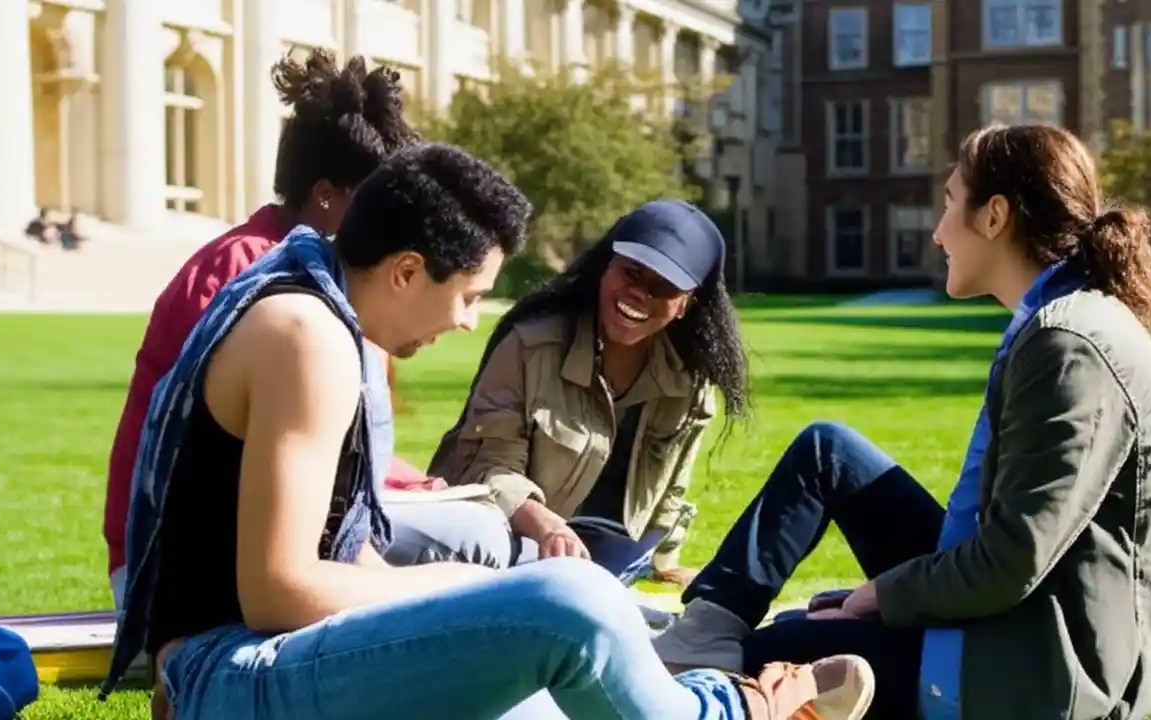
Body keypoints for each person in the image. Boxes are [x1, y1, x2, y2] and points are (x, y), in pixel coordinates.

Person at [99, 142, 876, 720]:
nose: (470, 322)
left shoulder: (321, 310)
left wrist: (464, 604)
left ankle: (711, 696)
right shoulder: (306, 338)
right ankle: (735, 710)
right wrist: (461, 588)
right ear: (406, 271)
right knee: (567, 601)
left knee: (545, 689)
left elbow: (346, 549)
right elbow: (276, 592)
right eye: (469, 295)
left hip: (255, 659)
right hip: (221, 675)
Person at [650, 124, 1151, 720]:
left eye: (948, 204)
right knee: (826, 453)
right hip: (1018, 620)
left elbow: (1012, 561)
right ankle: (707, 625)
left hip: (1040, 675)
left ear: (994, 216)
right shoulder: (1065, 321)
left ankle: (708, 663)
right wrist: (887, 597)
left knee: (766, 659)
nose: (938, 233)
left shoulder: (1069, 346)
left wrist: (879, 595)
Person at [101, 48, 509, 611]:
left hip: (261, 552)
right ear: (326, 195)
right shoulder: (268, 287)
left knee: (485, 538)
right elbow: (244, 469)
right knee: (479, 543)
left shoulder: (339, 288)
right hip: (181, 575)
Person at [428, 199, 749, 585]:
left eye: (663, 287)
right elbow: (489, 469)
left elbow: (670, 496)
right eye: (631, 274)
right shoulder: (529, 348)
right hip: (501, 543)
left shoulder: (689, 384)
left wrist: (662, 567)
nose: (639, 294)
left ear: (685, 304)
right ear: (606, 268)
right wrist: (549, 529)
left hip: (605, 566)